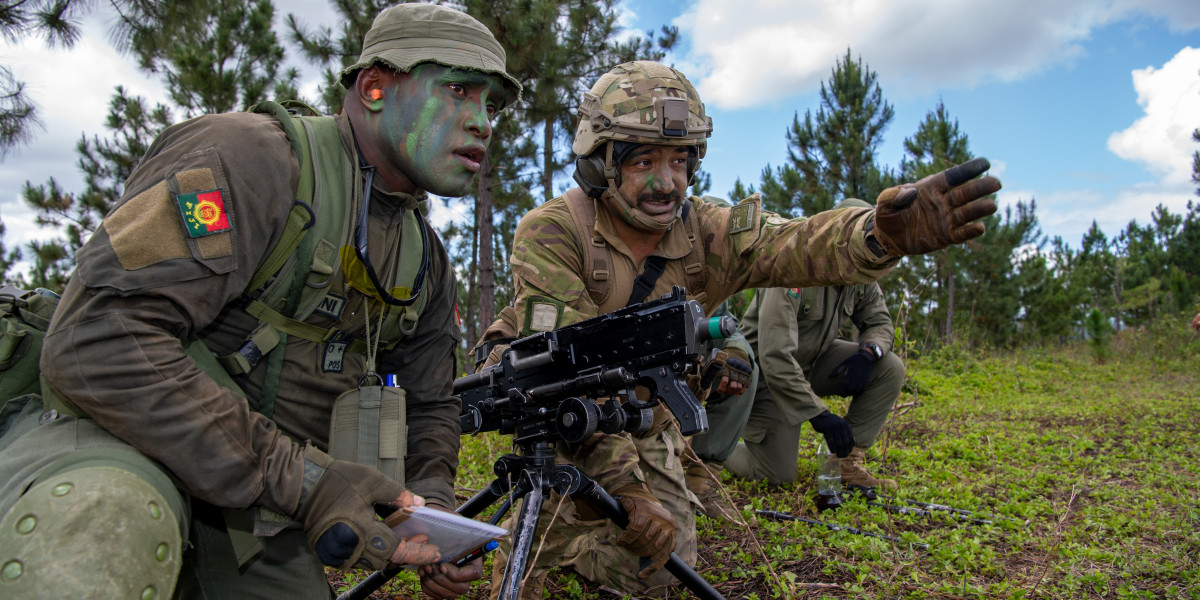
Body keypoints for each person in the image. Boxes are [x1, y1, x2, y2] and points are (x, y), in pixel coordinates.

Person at [0, 4, 520, 599]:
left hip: (251, 500)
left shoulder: (424, 259)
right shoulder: (249, 160)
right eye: (458, 90)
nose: (482, 121)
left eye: (493, 105)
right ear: (373, 87)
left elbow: (430, 404)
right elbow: (97, 341)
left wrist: (432, 512)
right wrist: (307, 483)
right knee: (104, 524)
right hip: (116, 440)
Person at [472, 60, 1001, 598]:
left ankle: (589, 542)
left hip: (645, 417)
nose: (666, 182)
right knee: (551, 535)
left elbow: (791, 242)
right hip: (566, 416)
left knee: (661, 566)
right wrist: (628, 487)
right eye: (644, 161)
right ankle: (540, 540)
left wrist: (877, 235)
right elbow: (569, 377)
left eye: (680, 161)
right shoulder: (554, 232)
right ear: (599, 162)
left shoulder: (707, 231)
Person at [724, 199, 905, 488]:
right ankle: (711, 444)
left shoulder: (862, 270)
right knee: (775, 475)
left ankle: (847, 463)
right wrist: (819, 414)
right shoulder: (794, 263)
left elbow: (880, 322)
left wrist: (870, 352)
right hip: (764, 375)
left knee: (889, 367)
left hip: (812, 362)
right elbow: (774, 355)